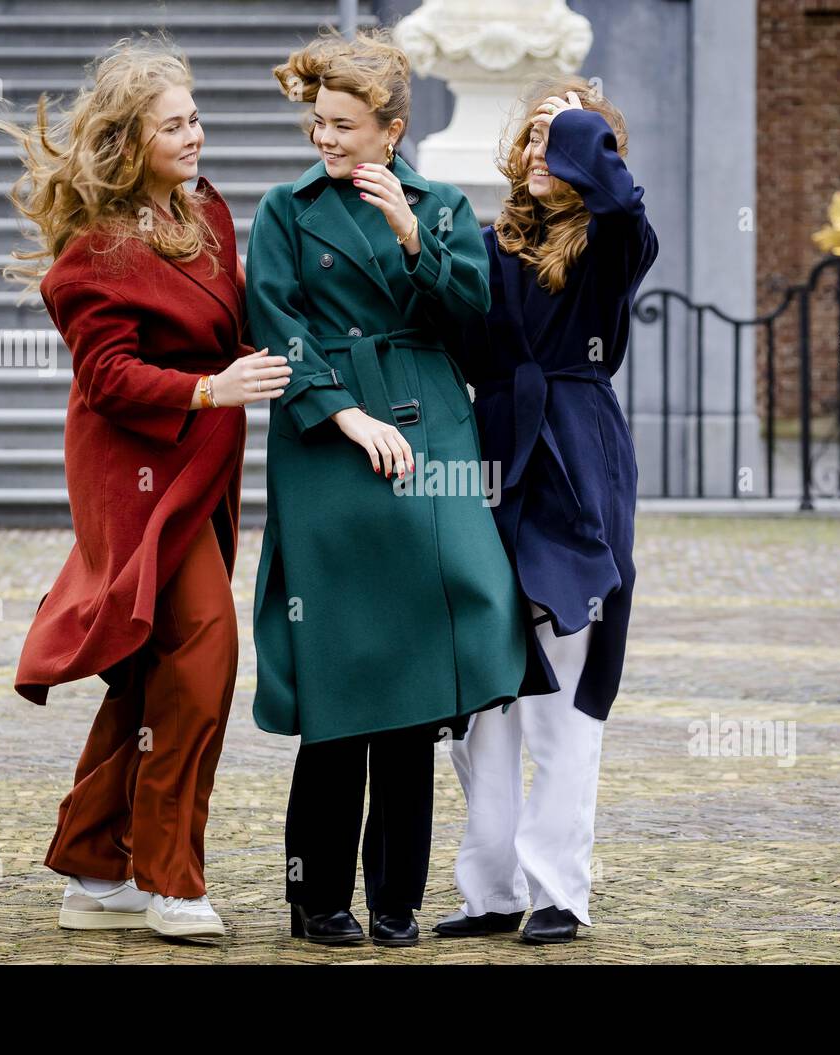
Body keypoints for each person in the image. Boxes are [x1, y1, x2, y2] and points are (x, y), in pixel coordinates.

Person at [246, 28, 552, 948]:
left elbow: (471, 321)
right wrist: (345, 414)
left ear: (391, 129)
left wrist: (415, 237)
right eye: (318, 122)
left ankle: (397, 899)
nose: (324, 139)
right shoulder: (285, 209)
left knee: (420, 667)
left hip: (432, 439)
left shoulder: (443, 206)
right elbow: (275, 321)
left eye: (343, 125)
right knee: (342, 663)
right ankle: (316, 896)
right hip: (329, 448)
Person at [0, 35, 292, 939]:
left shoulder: (208, 212)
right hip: (136, 472)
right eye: (174, 126)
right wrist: (208, 390)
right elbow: (107, 377)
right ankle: (169, 878)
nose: (194, 135)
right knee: (202, 653)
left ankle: (93, 864)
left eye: (196, 118)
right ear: (130, 142)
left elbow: (235, 324)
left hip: (204, 462)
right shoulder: (93, 254)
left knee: (149, 666)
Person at [435, 76, 659, 945]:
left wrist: (577, 120)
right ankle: (490, 889)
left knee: (562, 690)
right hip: (491, 460)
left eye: (559, 139)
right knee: (487, 697)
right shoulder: (488, 245)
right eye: (532, 135)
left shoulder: (612, 243)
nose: (541, 150)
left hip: (575, 463)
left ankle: (559, 888)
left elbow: (622, 201)